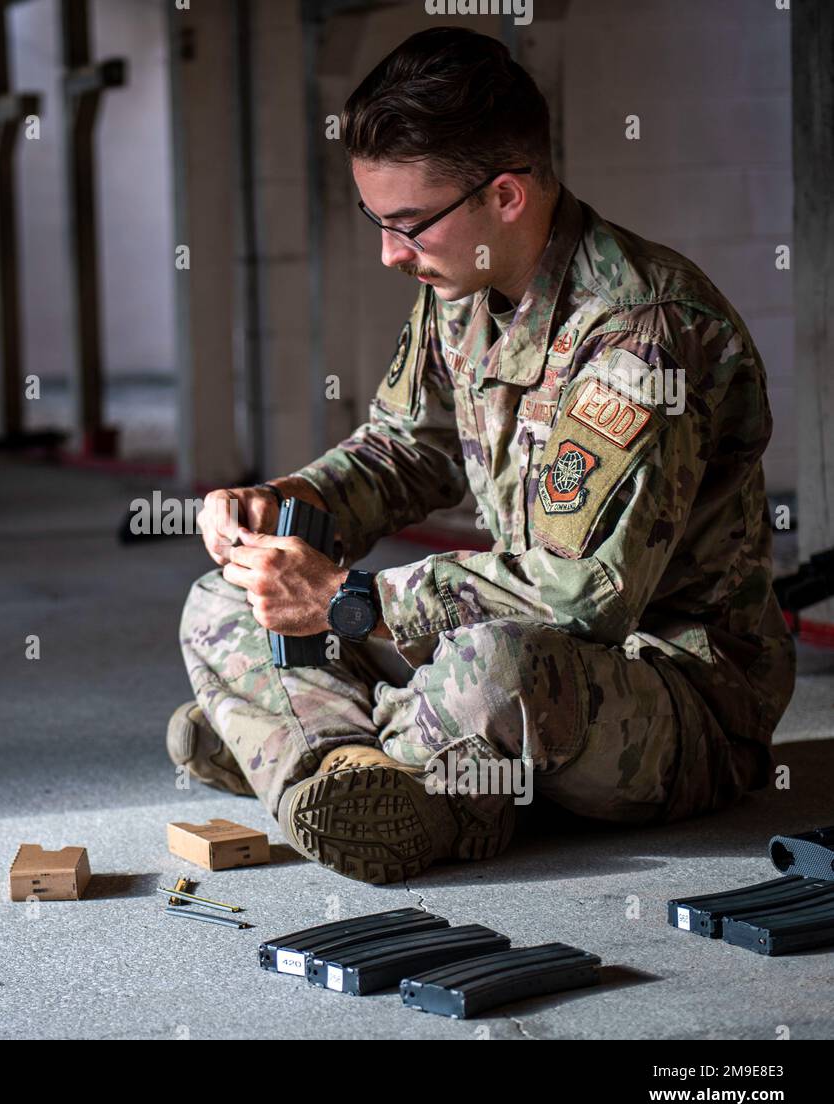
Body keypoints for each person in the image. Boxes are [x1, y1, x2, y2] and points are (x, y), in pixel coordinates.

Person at [168, 26, 796, 885]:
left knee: (495, 668)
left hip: (666, 694)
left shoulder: (640, 333)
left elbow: (580, 601)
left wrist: (350, 605)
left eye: (408, 224)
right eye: (375, 220)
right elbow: (401, 452)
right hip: (502, 646)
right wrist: (282, 502)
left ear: (505, 196)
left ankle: (302, 739)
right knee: (221, 600)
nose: (390, 253)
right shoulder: (462, 286)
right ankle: (367, 767)